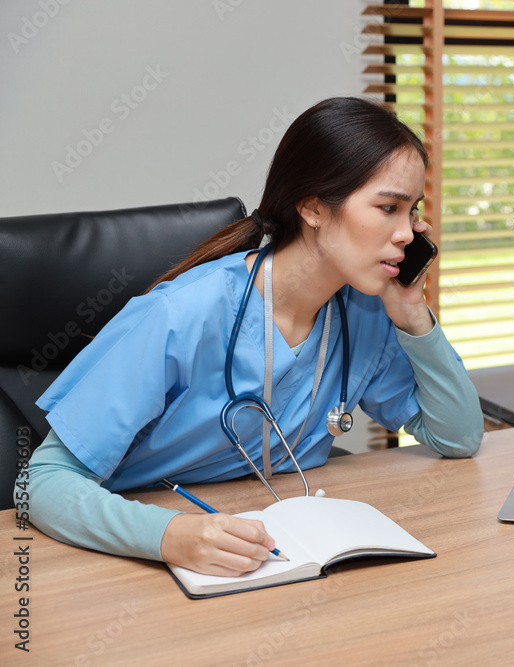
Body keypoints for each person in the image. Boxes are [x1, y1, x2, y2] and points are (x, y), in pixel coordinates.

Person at [24, 97, 483, 576]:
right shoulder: (181, 314)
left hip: (271, 548)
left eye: (412, 211)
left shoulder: (366, 312)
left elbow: (459, 437)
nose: (407, 233)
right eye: (389, 207)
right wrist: (168, 535)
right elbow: (43, 482)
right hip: (135, 558)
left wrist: (413, 315)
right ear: (313, 208)